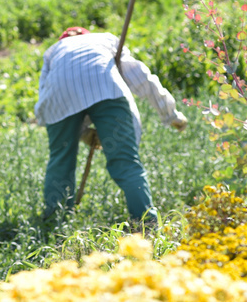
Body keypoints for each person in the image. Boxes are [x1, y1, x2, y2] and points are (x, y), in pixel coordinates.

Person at [35, 27, 187, 224]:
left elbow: (51, 100)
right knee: (125, 162)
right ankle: (146, 224)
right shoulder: (103, 40)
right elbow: (142, 77)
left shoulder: (53, 51)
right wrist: (171, 114)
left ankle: (54, 220)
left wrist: (80, 132)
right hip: (105, 87)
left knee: (60, 160)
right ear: (86, 35)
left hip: (60, 96)